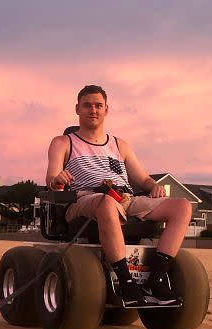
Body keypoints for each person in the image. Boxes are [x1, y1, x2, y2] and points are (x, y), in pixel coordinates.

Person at [45, 84, 192, 306]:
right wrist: (57, 180)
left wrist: (153, 185)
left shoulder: (119, 145)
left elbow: (142, 180)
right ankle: (126, 283)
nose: (93, 110)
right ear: (77, 109)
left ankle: (156, 280)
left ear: (106, 110)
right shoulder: (63, 143)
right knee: (106, 202)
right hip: (84, 199)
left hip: (124, 199)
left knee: (182, 206)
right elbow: (51, 178)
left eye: (98, 105)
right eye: (87, 105)